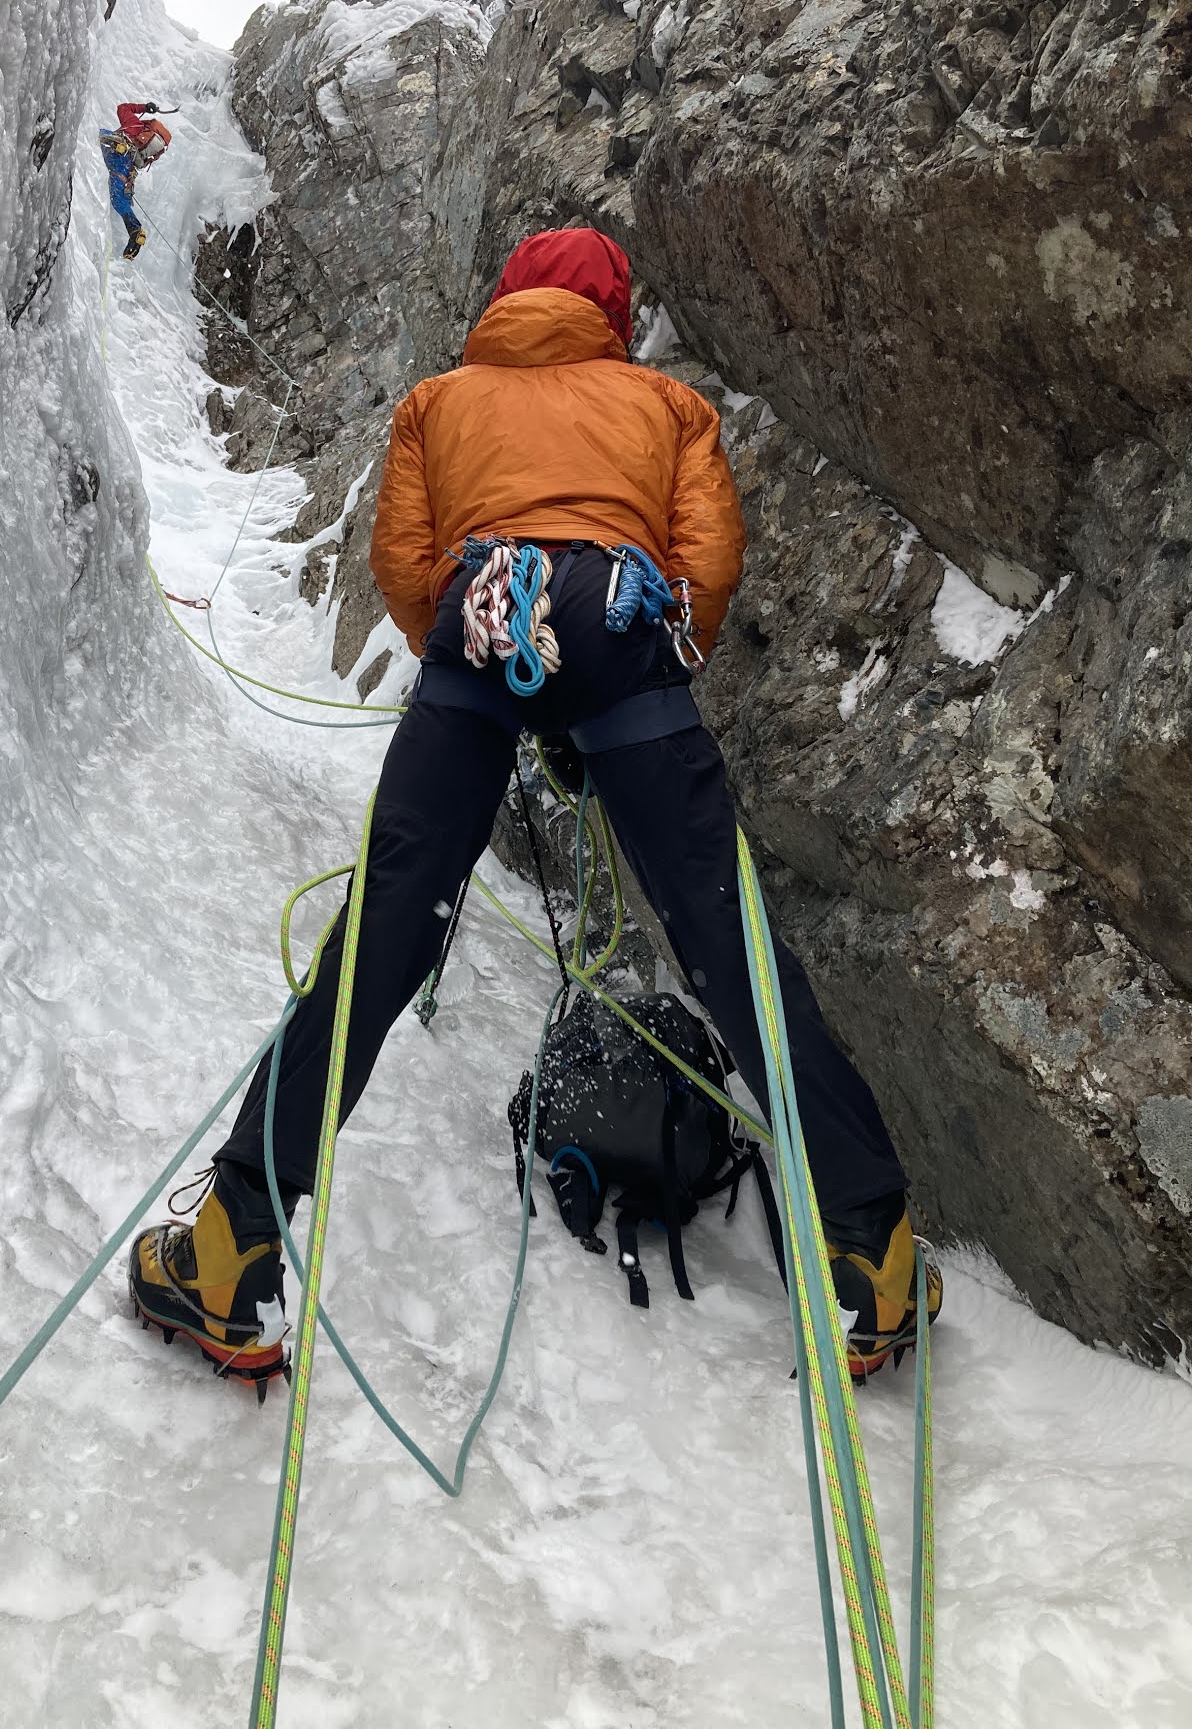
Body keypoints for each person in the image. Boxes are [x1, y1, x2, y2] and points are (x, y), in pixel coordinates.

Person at [131, 227, 943, 1391]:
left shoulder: (437, 404)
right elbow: (706, 565)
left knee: (387, 928)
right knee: (729, 941)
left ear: (510, 299)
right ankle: (871, 1249)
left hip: (483, 634)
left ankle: (229, 1246)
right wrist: (631, 694)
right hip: (626, 650)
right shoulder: (668, 405)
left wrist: (481, 683)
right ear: (612, 311)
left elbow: (408, 567)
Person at [99, 100, 173, 259]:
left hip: (117, 155)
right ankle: (134, 229)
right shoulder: (148, 149)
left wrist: (144, 108)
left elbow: (122, 108)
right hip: (126, 169)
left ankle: (116, 143)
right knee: (118, 199)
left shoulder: (134, 124)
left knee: (95, 134)